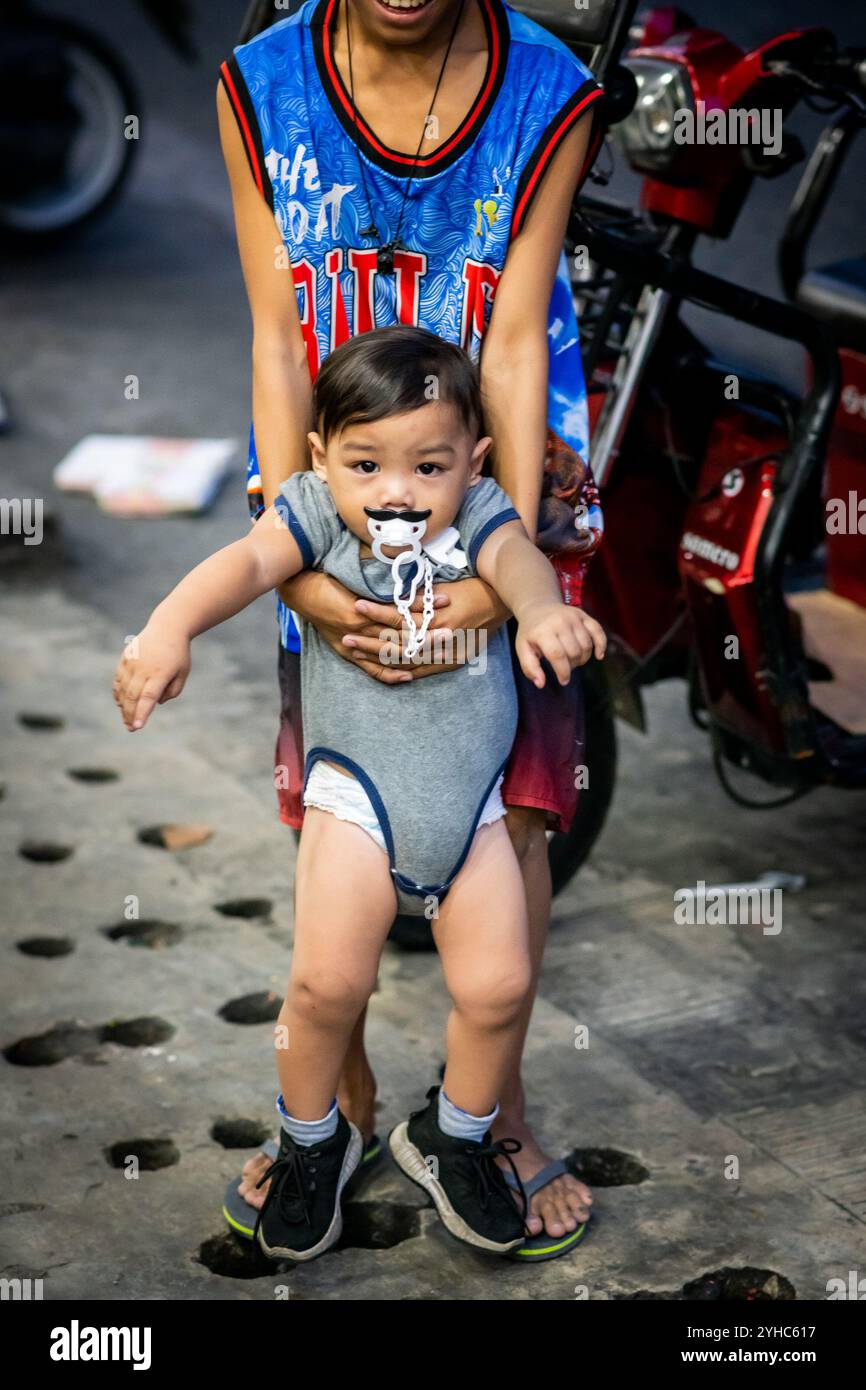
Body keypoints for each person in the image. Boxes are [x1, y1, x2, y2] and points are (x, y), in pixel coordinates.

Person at [216, 0, 606, 1257]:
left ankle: (486, 1116)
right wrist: (296, 569)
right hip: (333, 511)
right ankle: (340, 1107)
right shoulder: (259, 87)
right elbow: (279, 338)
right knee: (335, 809)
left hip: (501, 494)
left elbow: (511, 327)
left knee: (521, 803)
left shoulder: (545, 89)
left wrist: (509, 568)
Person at [113, 327, 606, 1260]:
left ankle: (454, 1137)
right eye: (366, 462)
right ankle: (314, 1141)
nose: (396, 490)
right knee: (326, 984)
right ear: (319, 459)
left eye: (429, 465)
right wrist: (169, 627)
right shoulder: (312, 514)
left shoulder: (484, 516)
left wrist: (541, 611)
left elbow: (520, 566)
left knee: (500, 987)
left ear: (475, 461)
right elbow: (244, 566)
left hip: (474, 814)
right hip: (357, 805)